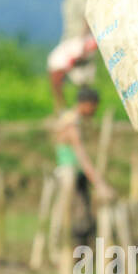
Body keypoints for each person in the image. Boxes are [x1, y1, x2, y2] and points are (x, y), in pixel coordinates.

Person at [52, 86, 112, 248]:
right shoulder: (71, 124)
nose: (94, 111)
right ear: (87, 104)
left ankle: (72, 250)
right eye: (94, 106)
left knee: (80, 213)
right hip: (68, 174)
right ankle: (59, 249)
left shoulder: (71, 120)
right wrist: (99, 184)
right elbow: (82, 157)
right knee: (64, 213)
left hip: (76, 173)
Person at [47, 0, 96, 111]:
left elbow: (87, 16)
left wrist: (84, 43)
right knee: (61, 70)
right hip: (70, 41)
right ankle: (63, 106)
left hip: (80, 39)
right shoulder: (67, 1)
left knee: (60, 67)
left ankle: (64, 106)